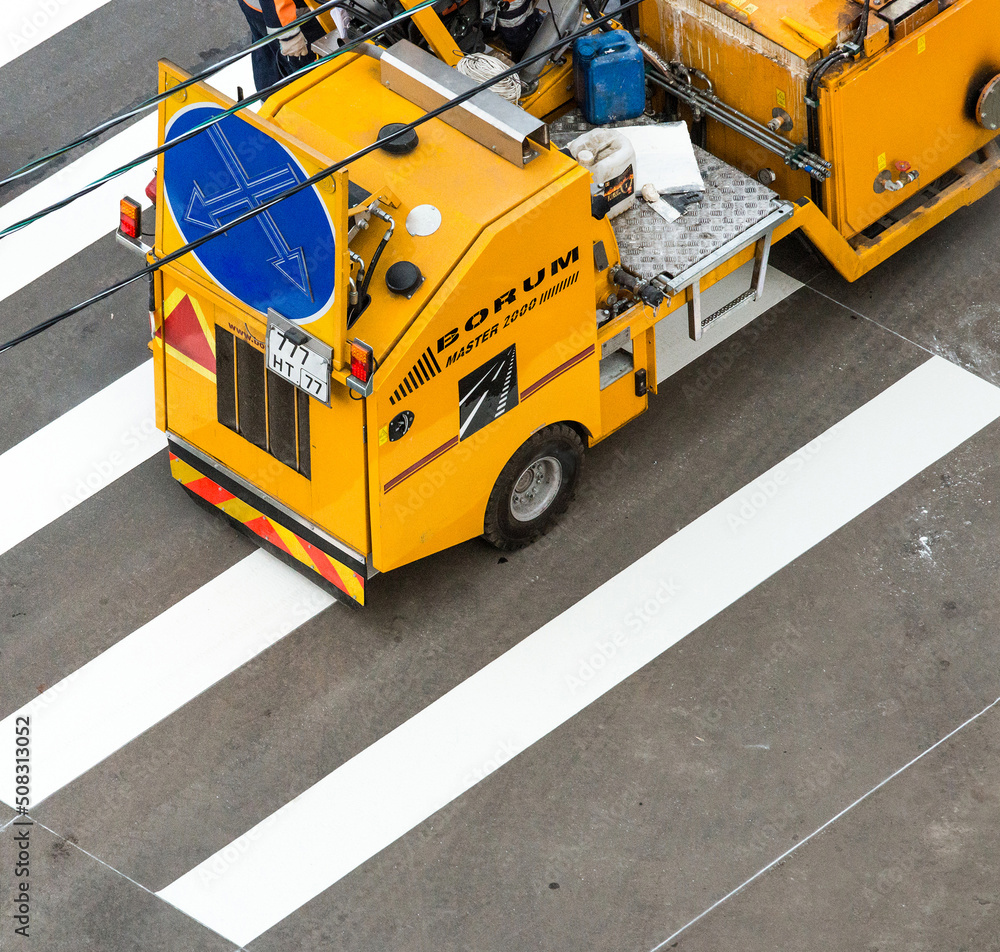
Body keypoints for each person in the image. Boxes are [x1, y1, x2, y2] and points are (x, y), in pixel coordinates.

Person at [237, 0, 314, 94]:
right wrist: (288, 34)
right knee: (306, 75)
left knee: (269, 58)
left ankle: (270, 98)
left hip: (260, 9)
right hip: (284, 14)